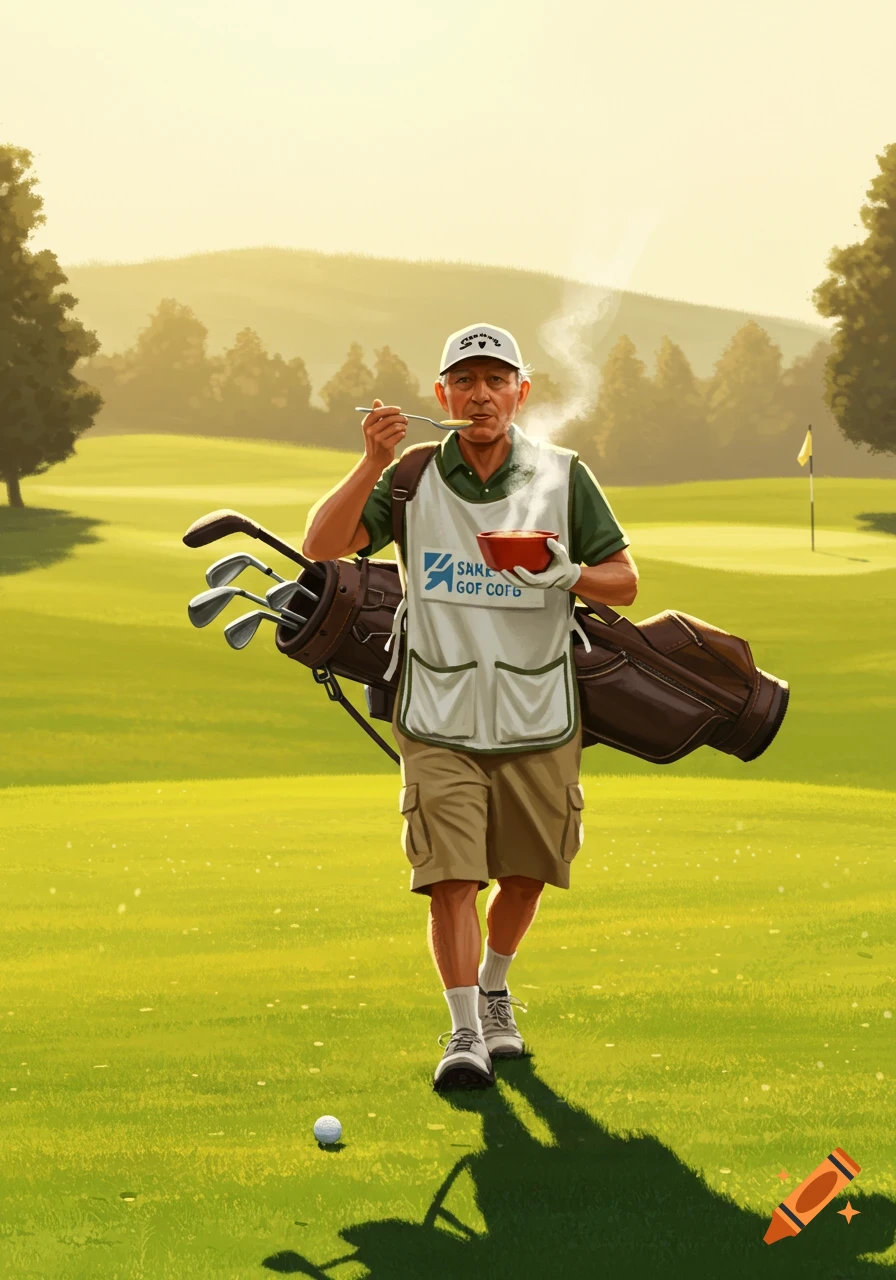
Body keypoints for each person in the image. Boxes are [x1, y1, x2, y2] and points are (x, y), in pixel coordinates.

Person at [303, 323, 638, 1091]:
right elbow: (321, 546)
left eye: (496, 380)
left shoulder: (563, 475)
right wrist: (371, 461)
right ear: (441, 393)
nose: (480, 395)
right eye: (465, 381)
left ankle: (493, 991)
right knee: (450, 876)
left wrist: (568, 574)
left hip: (537, 708)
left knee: (526, 874)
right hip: (438, 706)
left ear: (522, 392)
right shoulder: (410, 476)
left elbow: (625, 582)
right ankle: (463, 1034)